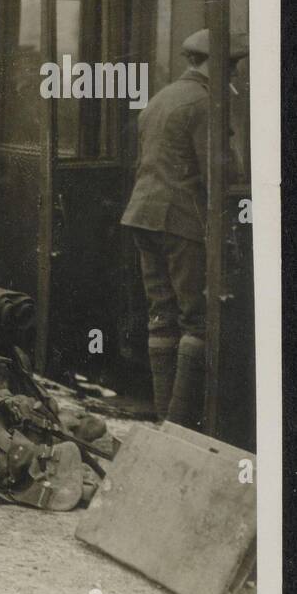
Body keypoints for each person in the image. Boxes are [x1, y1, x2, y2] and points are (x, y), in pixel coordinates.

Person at [120, 28, 211, 428]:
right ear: (214, 63)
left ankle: (163, 420)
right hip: (181, 221)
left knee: (161, 314)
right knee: (196, 318)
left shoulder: (159, 99)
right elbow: (217, 172)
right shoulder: (205, 103)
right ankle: (178, 426)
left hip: (143, 215)